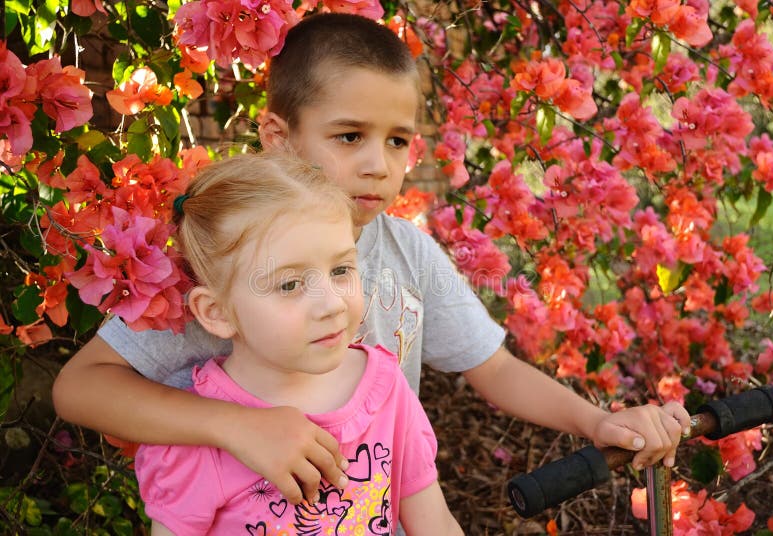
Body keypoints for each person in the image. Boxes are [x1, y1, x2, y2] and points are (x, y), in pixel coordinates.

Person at [53, 12, 690, 509]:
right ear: (279, 136)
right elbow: (80, 388)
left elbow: (492, 368)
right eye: (350, 135)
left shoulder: (407, 251)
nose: (377, 164)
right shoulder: (233, 260)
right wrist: (235, 427)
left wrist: (598, 421)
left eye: (397, 141)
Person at [134, 152, 462, 534]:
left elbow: (434, 522)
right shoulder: (196, 439)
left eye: (341, 270)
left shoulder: (386, 391)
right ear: (218, 312)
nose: (331, 304)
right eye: (289, 284)